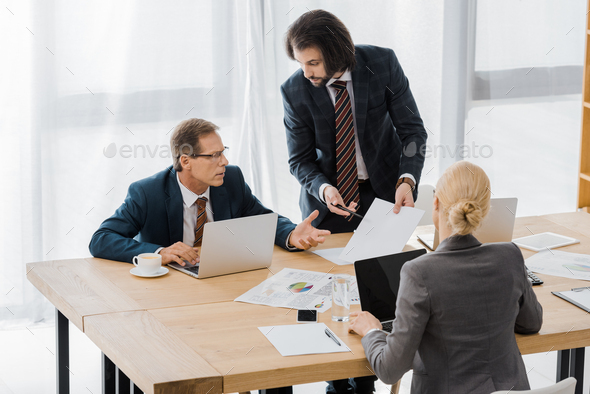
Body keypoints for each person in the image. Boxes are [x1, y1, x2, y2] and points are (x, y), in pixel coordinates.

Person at [348, 161, 543, 394]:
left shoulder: (418, 272)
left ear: (436, 202)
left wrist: (372, 331)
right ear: (486, 208)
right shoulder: (510, 255)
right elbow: (531, 324)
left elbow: (390, 370)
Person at [89, 118, 330, 265]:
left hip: (221, 280)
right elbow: (101, 240)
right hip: (169, 291)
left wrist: (291, 235)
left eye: (223, 151)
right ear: (186, 161)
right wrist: (158, 252)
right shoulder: (147, 192)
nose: (224, 161)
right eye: (213, 155)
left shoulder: (231, 180)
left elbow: (264, 219)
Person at [281, 9, 428, 235]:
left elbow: (412, 132)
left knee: (388, 268)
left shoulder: (382, 64)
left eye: (313, 62)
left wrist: (407, 180)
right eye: (300, 63)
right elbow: (300, 160)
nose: (306, 73)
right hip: (332, 206)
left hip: (389, 194)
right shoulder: (294, 91)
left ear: (336, 53)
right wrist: (324, 189)